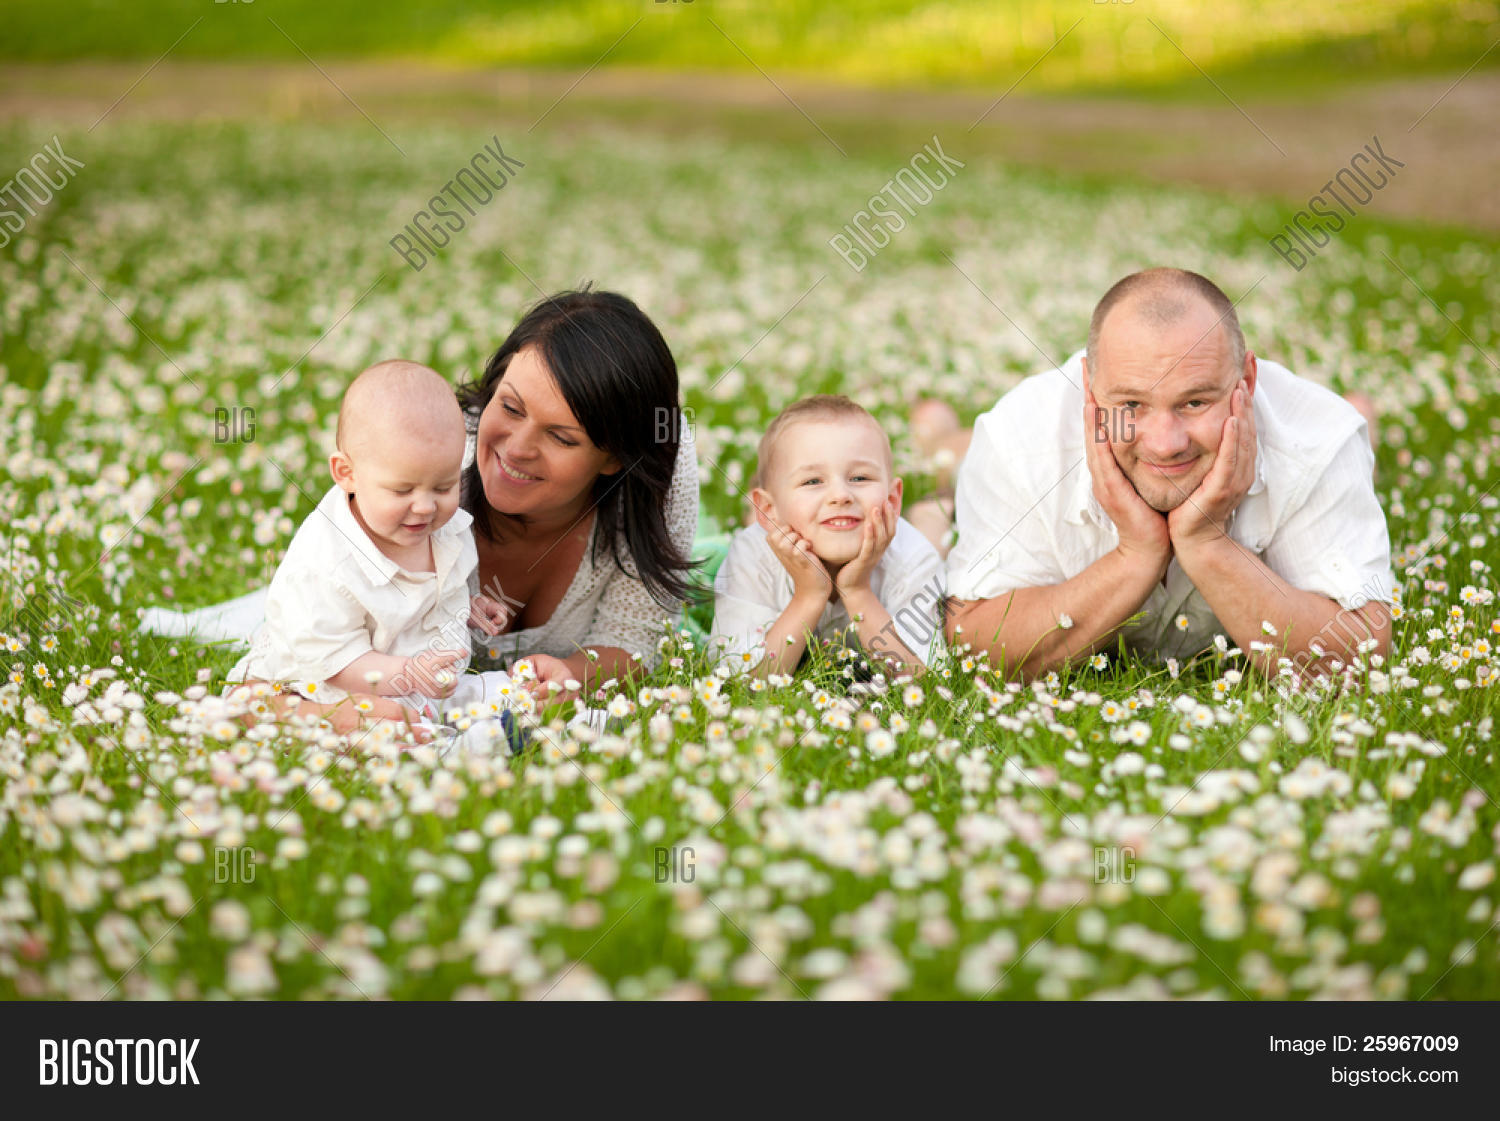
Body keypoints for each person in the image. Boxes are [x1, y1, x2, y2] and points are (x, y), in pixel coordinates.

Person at [146, 288, 702, 734]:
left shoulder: (657, 483)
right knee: (268, 649)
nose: (516, 447)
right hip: (352, 642)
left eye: (560, 437)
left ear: (614, 458)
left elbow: (637, 641)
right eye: (508, 407)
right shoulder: (430, 458)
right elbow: (303, 639)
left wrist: (573, 674)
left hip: (447, 686)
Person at [941, 267, 1394, 679]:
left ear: (1247, 383)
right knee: (943, 490)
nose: (1165, 442)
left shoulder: (1322, 437)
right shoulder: (1016, 438)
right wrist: (1135, 556)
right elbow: (975, 642)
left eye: (1195, 402)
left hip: (1311, 432)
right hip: (1005, 449)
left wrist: (1208, 543)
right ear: (1089, 391)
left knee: (1351, 441)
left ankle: (1366, 428)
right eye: (1131, 406)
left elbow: (1358, 658)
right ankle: (939, 439)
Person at [224, 360, 515, 721]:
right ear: (347, 474)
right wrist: (408, 673)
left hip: (424, 683)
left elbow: (423, 595)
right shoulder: (327, 563)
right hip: (333, 687)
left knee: (510, 692)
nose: (425, 507)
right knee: (383, 722)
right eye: (402, 489)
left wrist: (464, 608)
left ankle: (504, 727)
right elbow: (333, 659)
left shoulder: (442, 527)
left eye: (444, 486)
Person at [713, 395, 945, 676]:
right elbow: (745, 683)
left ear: (893, 499)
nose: (840, 495)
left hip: (916, 538)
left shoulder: (913, 557)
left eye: (860, 478)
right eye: (812, 481)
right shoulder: (750, 556)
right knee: (764, 526)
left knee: (934, 532)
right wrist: (809, 596)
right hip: (770, 528)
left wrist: (858, 590)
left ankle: (933, 505)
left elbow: (923, 681)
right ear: (769, 510)